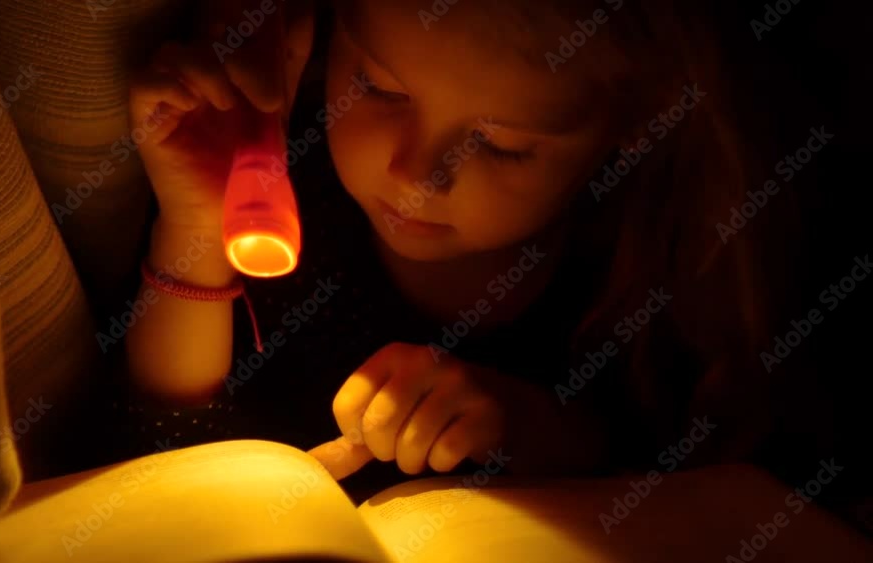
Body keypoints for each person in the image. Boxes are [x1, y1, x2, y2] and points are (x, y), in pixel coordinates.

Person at [121, 0, 805, 495]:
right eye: (378, 88)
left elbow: (671, 479)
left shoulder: (651, 266)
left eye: (501, 145)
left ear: (635, 122)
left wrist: (516, 420)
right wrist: (195, 223)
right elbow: (166, 437)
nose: (417, 175)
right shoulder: (295, 182)